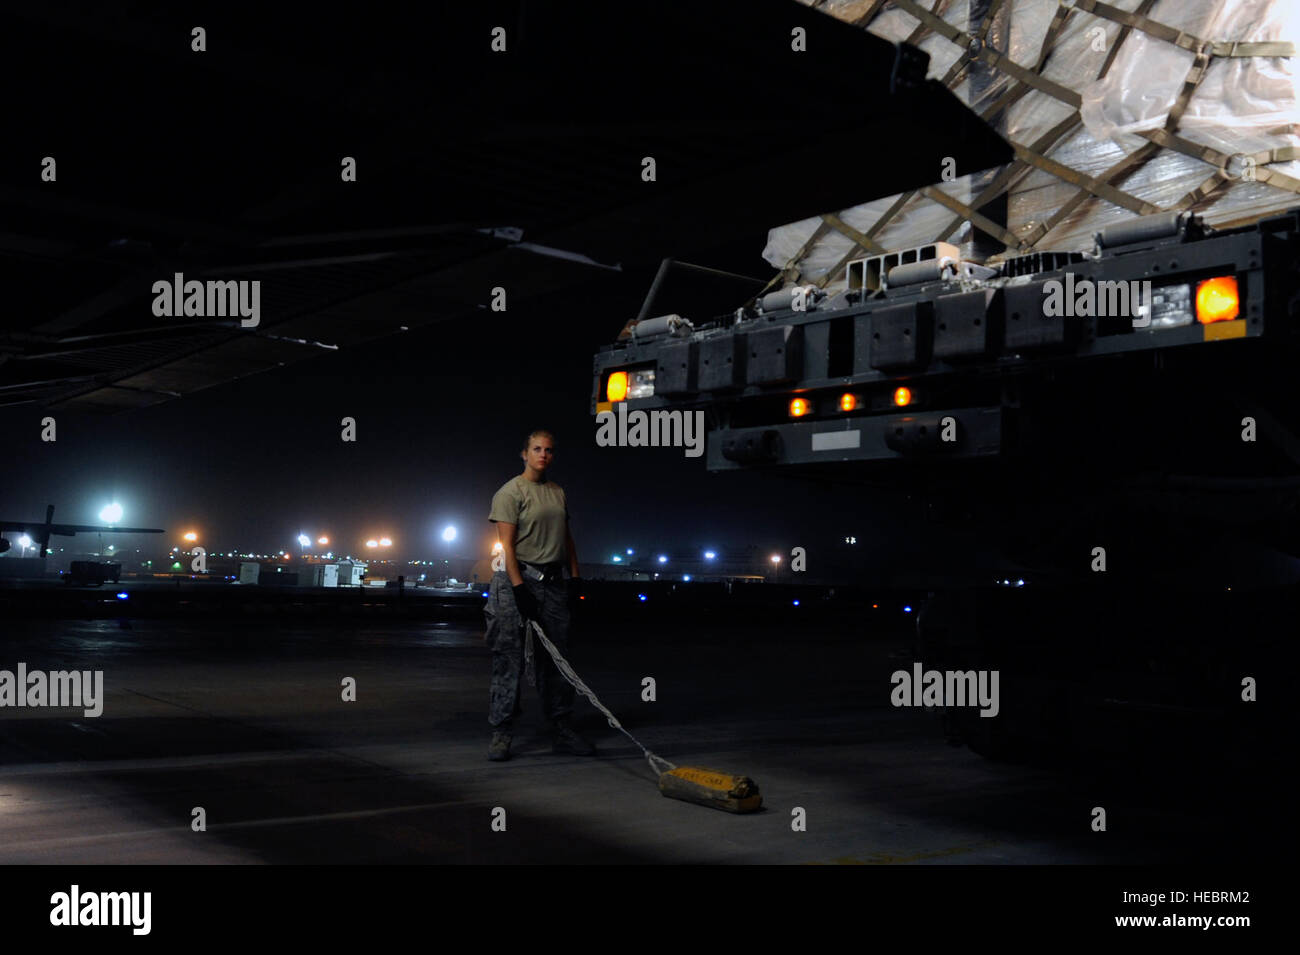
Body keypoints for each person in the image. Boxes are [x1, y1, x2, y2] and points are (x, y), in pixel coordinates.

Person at [484, 429, 595, 761]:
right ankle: (502, 732)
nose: (543, 454)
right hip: (517, 582)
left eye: (548, 450)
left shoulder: (557, 492)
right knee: (509, 658)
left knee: (558, 660)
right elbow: (506, 547)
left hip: (553, 585)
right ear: (524, 454)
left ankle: (561, 728)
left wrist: (575, 576)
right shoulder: (509, 492)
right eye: (536, 449)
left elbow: (567, 536)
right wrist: (519, 589)